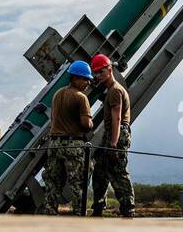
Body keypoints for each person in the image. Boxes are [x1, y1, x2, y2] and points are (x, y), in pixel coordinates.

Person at [42, 60, 93, 216]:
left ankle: (50, 212)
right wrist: (91, 122)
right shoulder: (80, 97)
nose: (88, 82)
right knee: (77, 182)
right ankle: (79, 214)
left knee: (53, 183)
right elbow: (86, 124)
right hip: (73, 146)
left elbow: (53, 119)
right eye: (85, 79)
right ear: (75, 78)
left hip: (54, 145)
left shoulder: (57, 94)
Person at [88, 55, 135, 218]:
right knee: (100, 172)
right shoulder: (112, 90)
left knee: (118, 172)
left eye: (100, 72)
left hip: (117, 135)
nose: (98, 76)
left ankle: (128, 209)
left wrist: (113, 144)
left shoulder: (115, 91)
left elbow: (117, 117)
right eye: (95, 73)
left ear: (109, 69)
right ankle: (98, 207)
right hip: (111, 134)